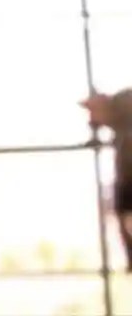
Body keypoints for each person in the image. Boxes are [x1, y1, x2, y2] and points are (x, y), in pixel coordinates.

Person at [81, 90, 132, 271]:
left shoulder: (125, 102)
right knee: (122, 214)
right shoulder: (115, 113)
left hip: (127, 173)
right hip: (125, 175)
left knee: (123, 214)